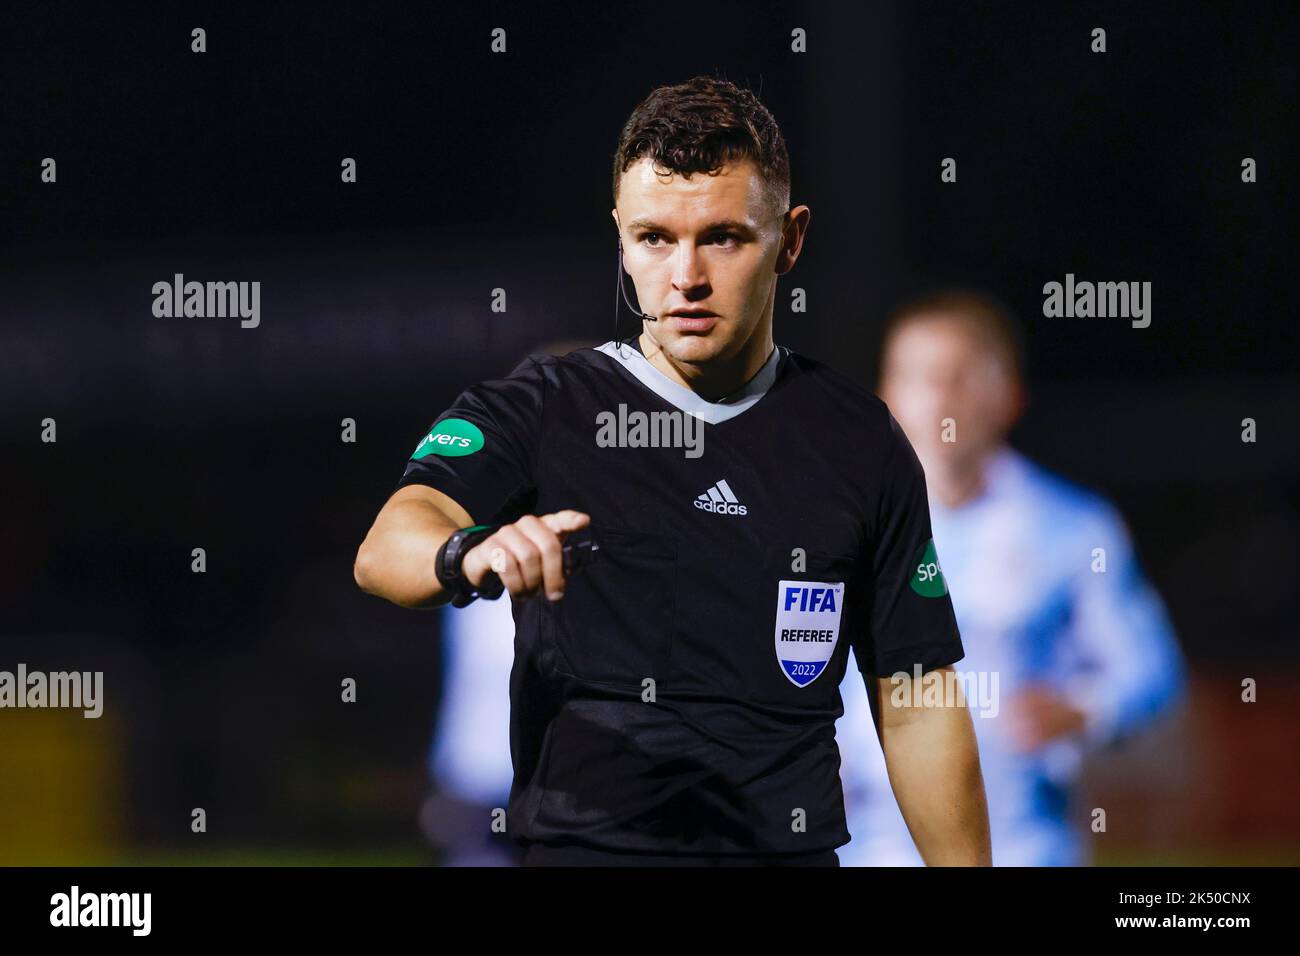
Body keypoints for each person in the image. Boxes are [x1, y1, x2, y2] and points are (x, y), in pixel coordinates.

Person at [354, 76, 991, 865]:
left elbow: (917, 697)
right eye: (655, 238)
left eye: (723, 237)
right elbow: (387, 547)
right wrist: (466, 552)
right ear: (620, 239)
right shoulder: (544, 406)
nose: (685, 276)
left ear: (790, 241)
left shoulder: (859, 441)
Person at [834, 289, 1186, 866]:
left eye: (960, 376)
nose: (939, 397)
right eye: (919, 375)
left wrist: (1083, 707)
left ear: (1008, 396)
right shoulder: (836, 531)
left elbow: (1151, 671)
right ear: (886, 395)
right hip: (871, 850)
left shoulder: (1074, 528)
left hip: (1026, 846)